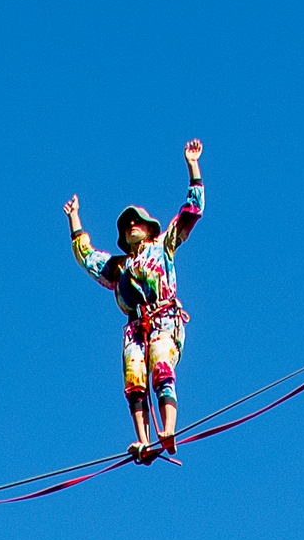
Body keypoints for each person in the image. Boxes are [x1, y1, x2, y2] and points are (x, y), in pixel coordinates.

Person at [65, 143, 204, 457]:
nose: (131, 227)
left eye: (136, 222)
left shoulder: (163, 245)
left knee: (161, 364)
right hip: (135, 326)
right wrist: (75, 221)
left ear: (149, 228)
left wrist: (192, 166)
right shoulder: (119, 267)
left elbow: (192, 210)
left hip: (164, 318)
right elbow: (87, 258)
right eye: (127, 226)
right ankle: (143, 439)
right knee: (134, 379)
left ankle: (167, 430)